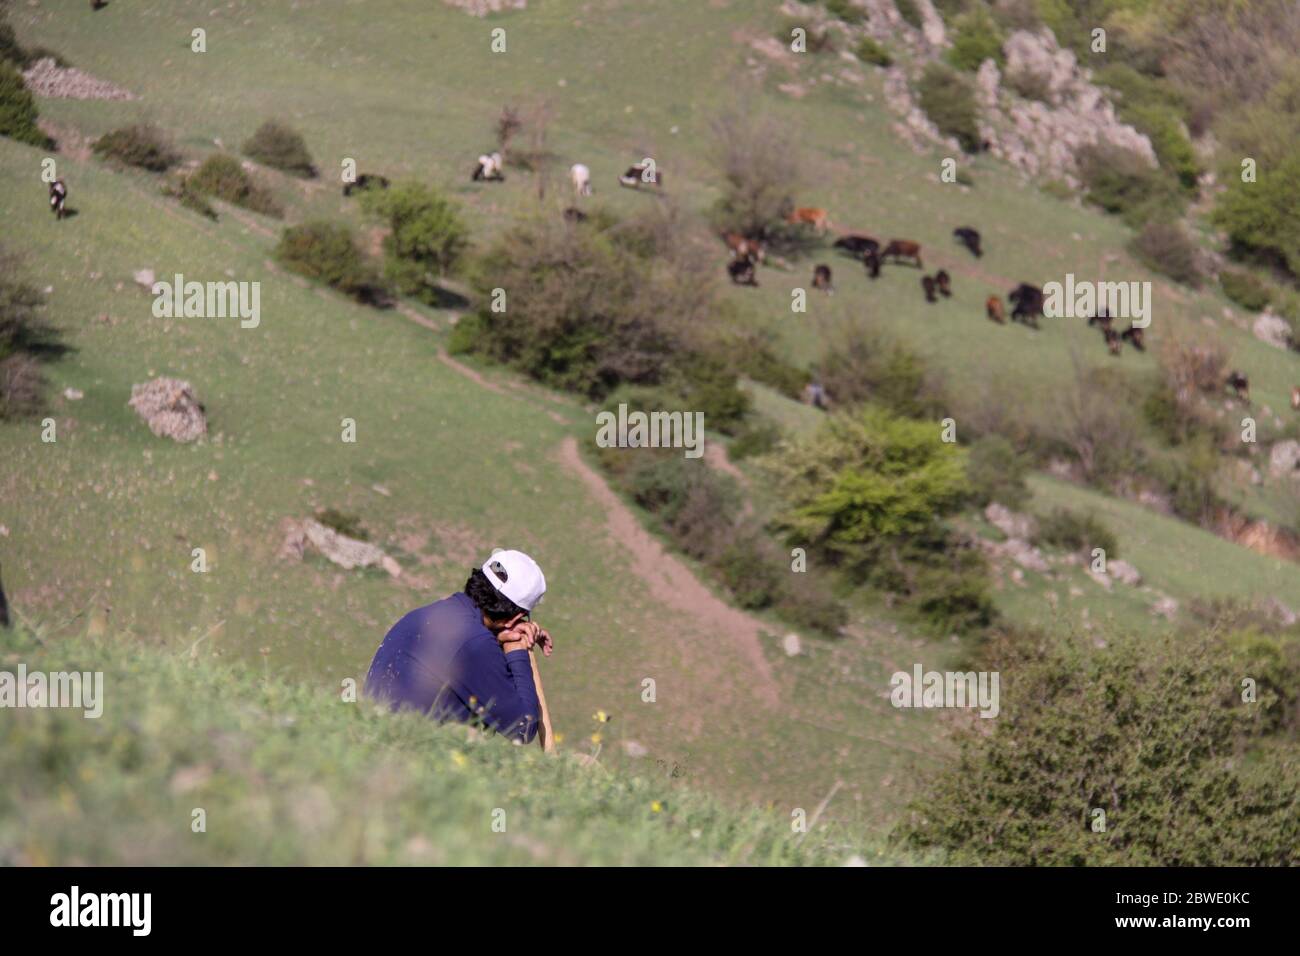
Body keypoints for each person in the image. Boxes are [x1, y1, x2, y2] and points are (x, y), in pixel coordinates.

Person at [364, 550, 552, 744]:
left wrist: (497, 638)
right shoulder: (476, 644)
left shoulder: (424, 614)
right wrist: (517, 649)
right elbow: (522, 728)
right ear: (514, 618)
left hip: (375, 739)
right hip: (411, 757)